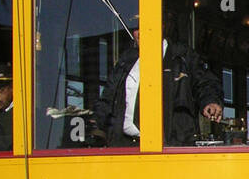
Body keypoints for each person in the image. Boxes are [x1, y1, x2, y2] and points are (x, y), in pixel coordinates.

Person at [94, 24, 223, 147]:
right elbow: (107, 99)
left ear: (161, 27)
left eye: (144, 27)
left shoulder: (182, 56)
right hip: (125, 146)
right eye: (135, 29)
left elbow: (206, 82)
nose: (138, 33)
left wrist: (211, 101)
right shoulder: (126, 60)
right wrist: (104, 131)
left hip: (170, 147)